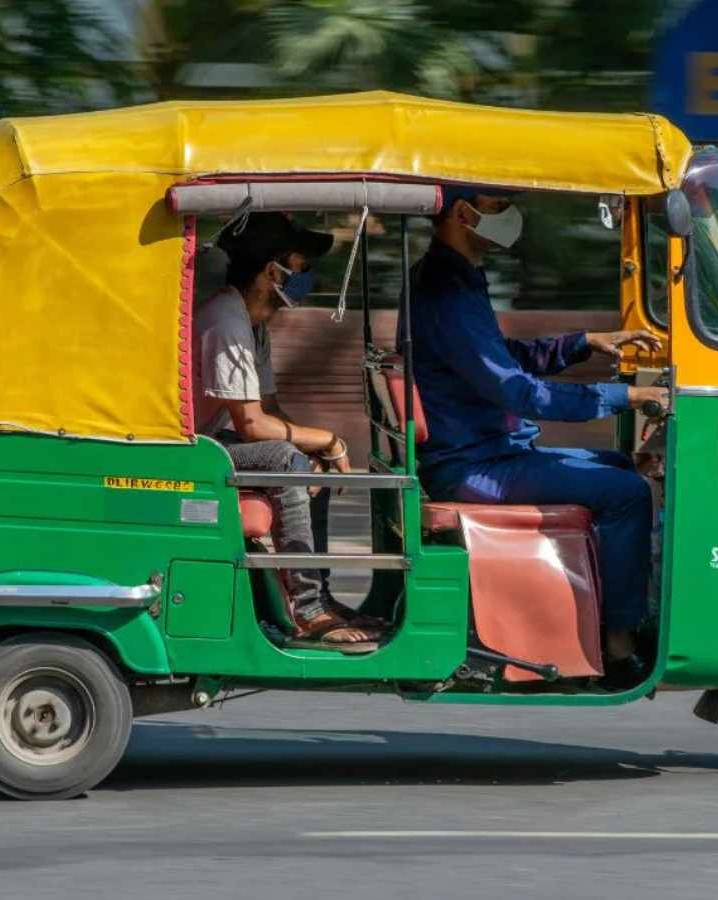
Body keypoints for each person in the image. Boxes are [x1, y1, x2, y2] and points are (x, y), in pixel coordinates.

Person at [402, 187, 668, 687]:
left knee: (619, 465)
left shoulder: (455, 279)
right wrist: (626, 396)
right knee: (628, 494)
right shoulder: (446, 290)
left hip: (488, 451)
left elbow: (503, 360)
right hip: (474, 464)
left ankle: (603, 610)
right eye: (497, 205)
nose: (509, 215)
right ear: (462, 213)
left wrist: (582, 343)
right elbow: (518, 392)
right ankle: (618, 643)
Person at [197, 211, 379, 648]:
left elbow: (272, 410)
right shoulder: (226, 321)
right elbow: (252, 424)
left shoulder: (252, 324)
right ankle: (307, 609)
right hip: (193, 448)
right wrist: (330, 441)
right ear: (272, 271)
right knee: (287, 458)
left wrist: (318, 447)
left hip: (217, 443)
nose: (307, 276)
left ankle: (321, 595)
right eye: (301, 265)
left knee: (304, 456)